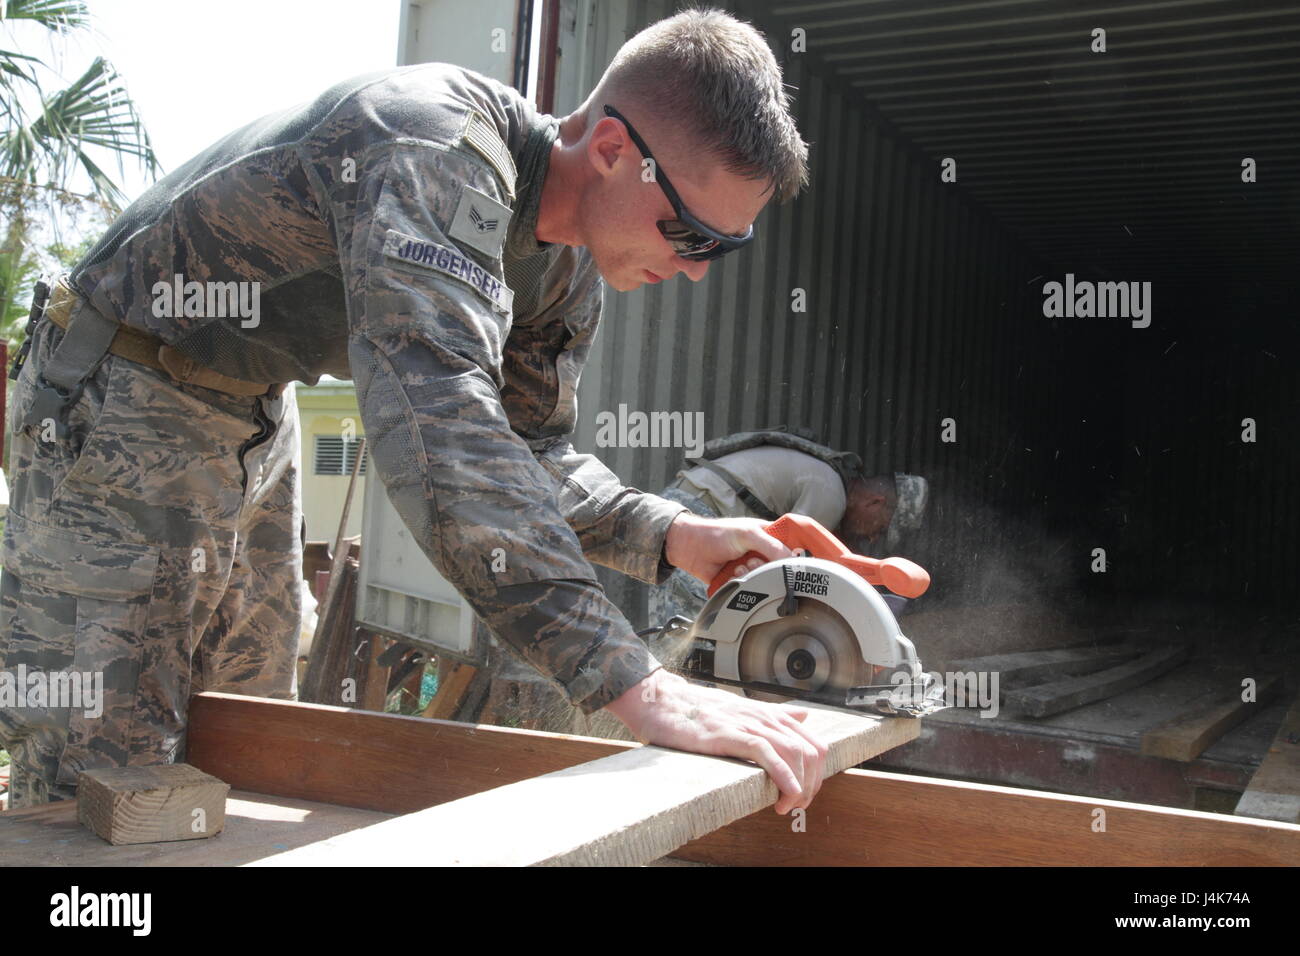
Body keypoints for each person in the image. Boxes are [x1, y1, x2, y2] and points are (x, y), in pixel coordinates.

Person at [0, 9, 827, 814]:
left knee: (248, 742)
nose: (696, 272)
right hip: (124, 388)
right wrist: (635, 683)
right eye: (692, 235)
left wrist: (673, 535)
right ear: (613, 150)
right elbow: (442, 429)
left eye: (725, 248)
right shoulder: (431, 146)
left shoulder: (565, 272)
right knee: (102, 776)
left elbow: (527, 451)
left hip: (254, 409)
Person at [649, 433, 929, 634]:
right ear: (875, 502)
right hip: (697, 513)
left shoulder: (828, 481)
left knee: (700, 627)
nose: (873, 538)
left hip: (693, 510)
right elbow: (792, 569)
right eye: (880, 527)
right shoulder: (831, 495)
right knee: (693, 630)